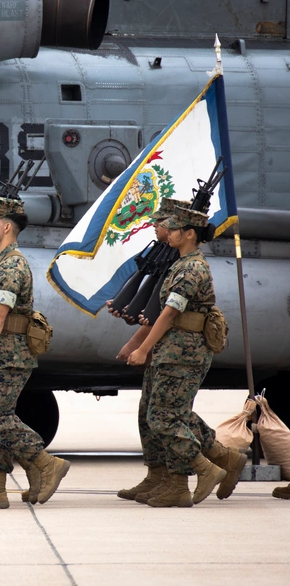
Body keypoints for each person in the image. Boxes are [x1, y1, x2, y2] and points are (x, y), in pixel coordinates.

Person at [114, 198, 245, 503]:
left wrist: (142, 348)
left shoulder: (192, 269)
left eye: (174, 228)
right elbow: (161, 312)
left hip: (184, 353)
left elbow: (169, 313)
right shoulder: (180, 264)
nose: (167, 231)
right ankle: (172, 475)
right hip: (171, 350)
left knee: (166, 416)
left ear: (189, 234)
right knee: (159, 413)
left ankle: (195, 473)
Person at [0, 197, 70, 509]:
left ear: (7, 227)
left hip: (8, 354)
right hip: (2, 350)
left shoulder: (11, 265)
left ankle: (45, 462)